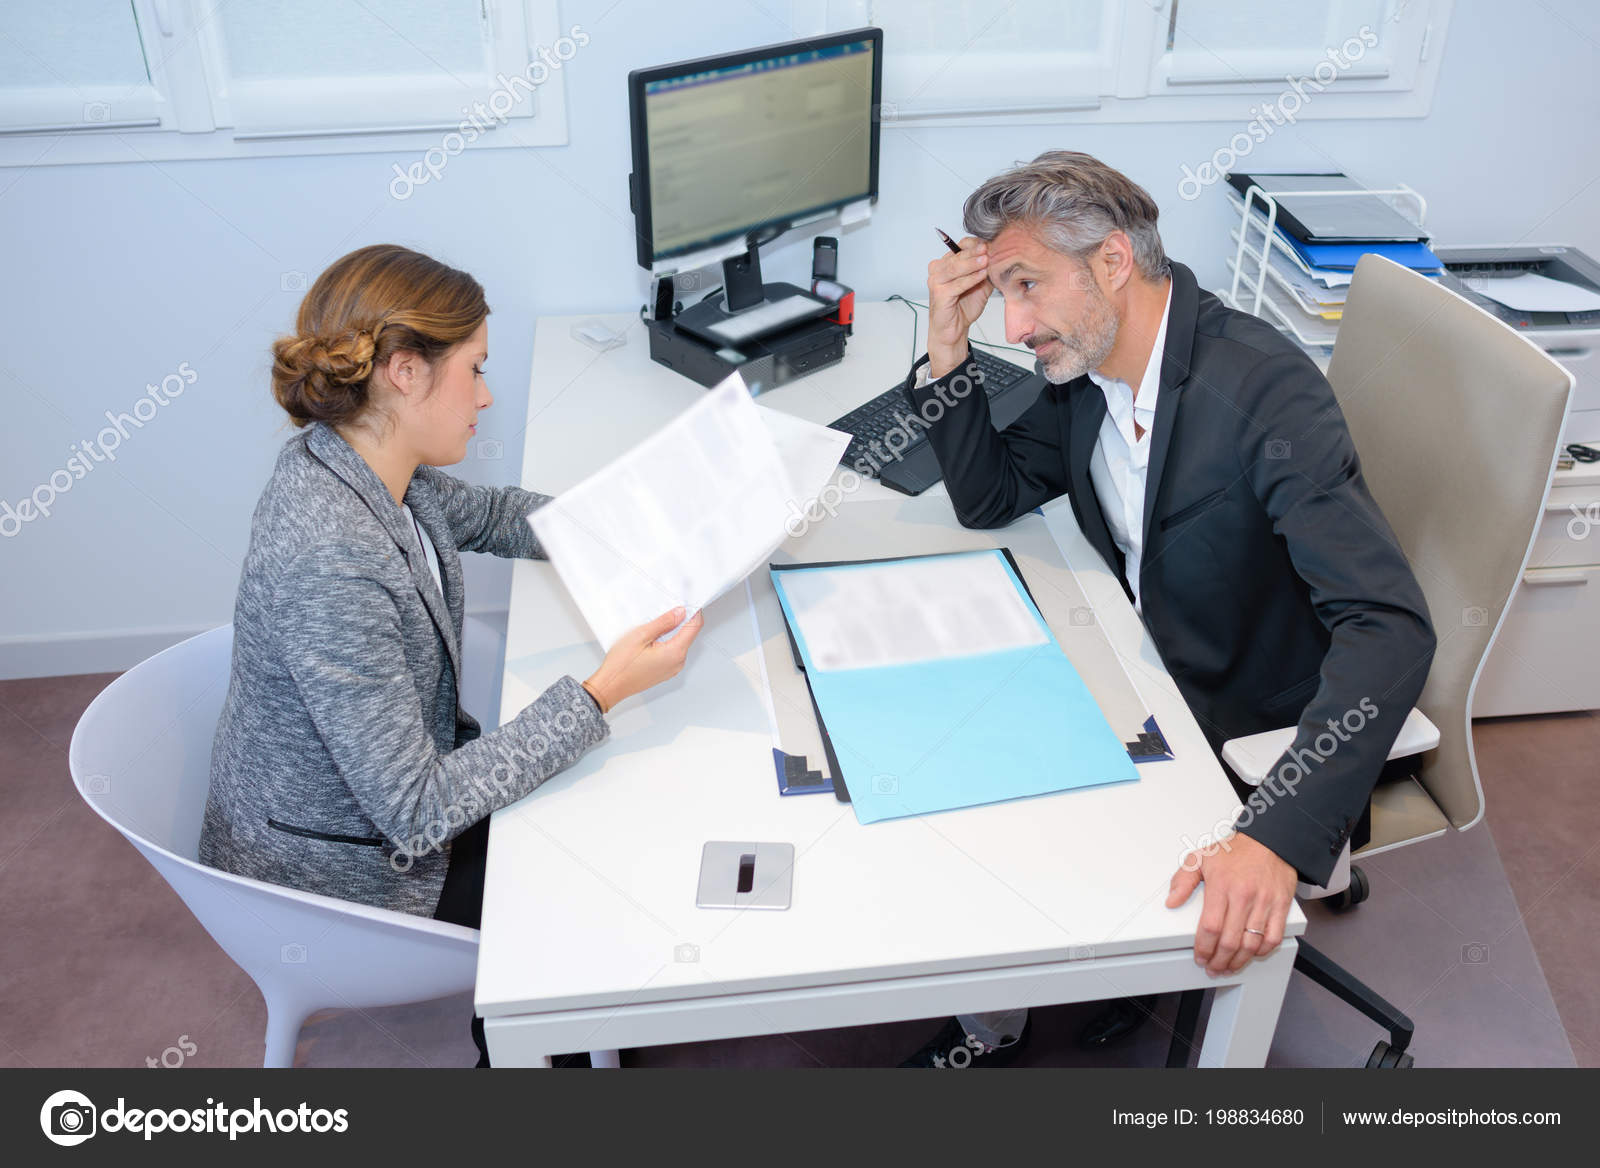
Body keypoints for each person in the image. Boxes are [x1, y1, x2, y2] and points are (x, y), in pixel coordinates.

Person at [898, 152, 1435, 1067]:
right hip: (1139, 661)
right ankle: (1012, 1001)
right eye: (1000, 290)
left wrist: (1275, 835)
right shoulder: (1091, 368)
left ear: (1112, 260)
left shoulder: (1261, 392)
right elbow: (989, 497)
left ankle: (1004, 1015)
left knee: (990, 799)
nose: (1014, 324)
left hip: (1249, 730)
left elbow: (1390, 627)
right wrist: (949, 349)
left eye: (1025, 286)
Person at [199, 244, 703, 1067]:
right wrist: (605, 690)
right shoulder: (330, 551)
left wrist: (638, 525)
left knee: (600, 811)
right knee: (585, 880)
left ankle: (559, 1035)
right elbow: (419, 812)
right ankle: (522, 1051)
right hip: (338, 875)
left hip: (379, 799)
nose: (486, 394)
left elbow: (502, 517)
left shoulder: (368, 461)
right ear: (404, 372)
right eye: (473, 370)